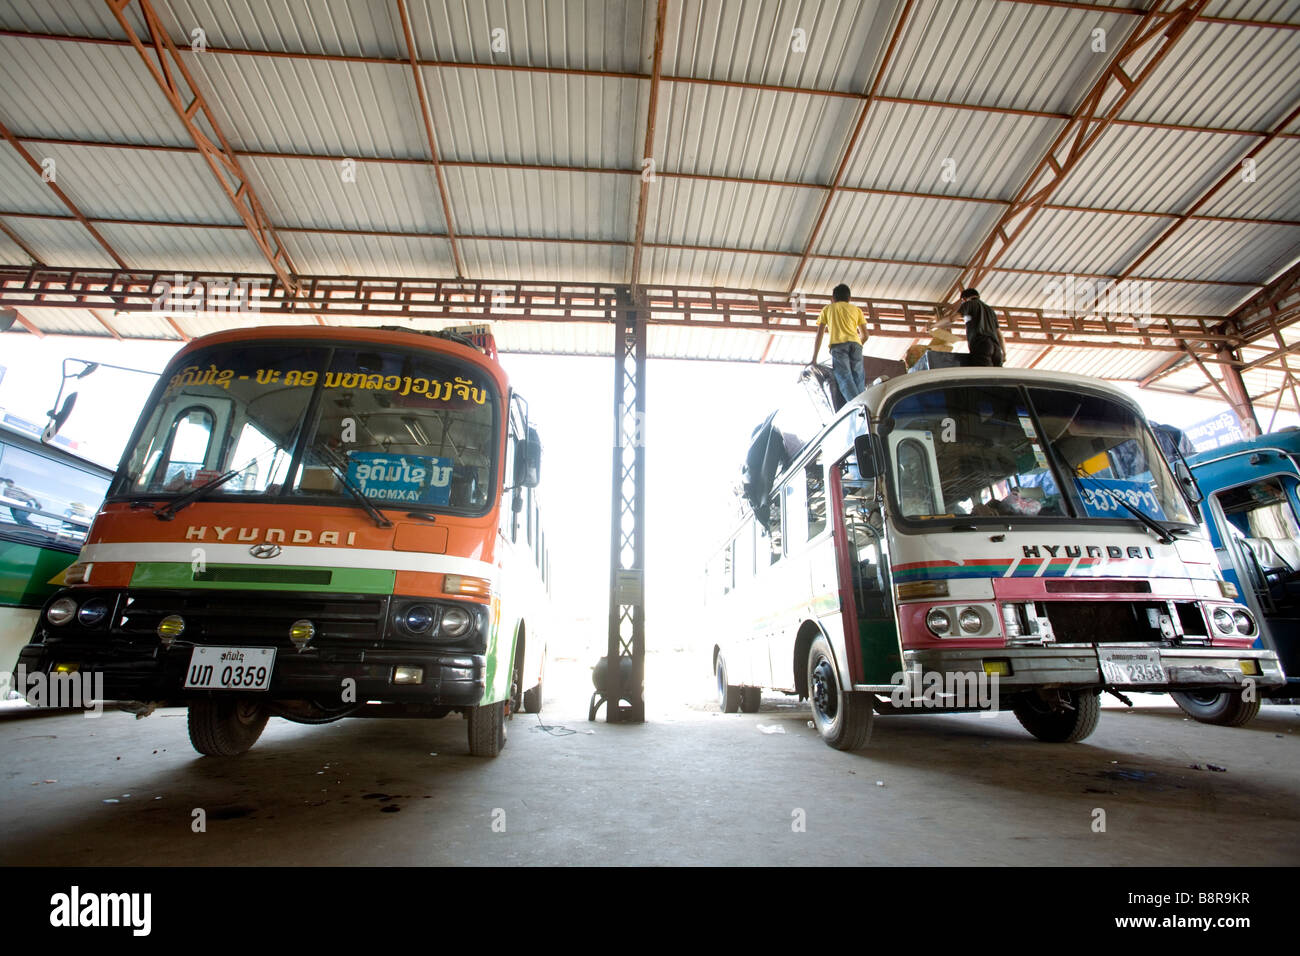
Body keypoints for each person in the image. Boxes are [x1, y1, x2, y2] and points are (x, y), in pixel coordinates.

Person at [811, 283, 868, 402]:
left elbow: (819, 334)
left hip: (838, 346)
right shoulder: (857, 310)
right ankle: (865, 404)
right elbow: (865, 335)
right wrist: (857, 344)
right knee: (858, 377)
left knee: (845, 377)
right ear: (849, 298)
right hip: (856, 344)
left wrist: (814, 358)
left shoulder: (827, 309)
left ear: (833, 299)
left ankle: (857, 406)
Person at [958, 288, 1005, 367]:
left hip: (982, 345)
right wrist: (1004, 352)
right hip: (996, 348)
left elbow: (951, 318)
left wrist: (933, 326)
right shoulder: (990, 310)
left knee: (984, 375)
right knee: (998, 376)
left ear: (964, 299)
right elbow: (1000, 335)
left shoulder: (969, 304)